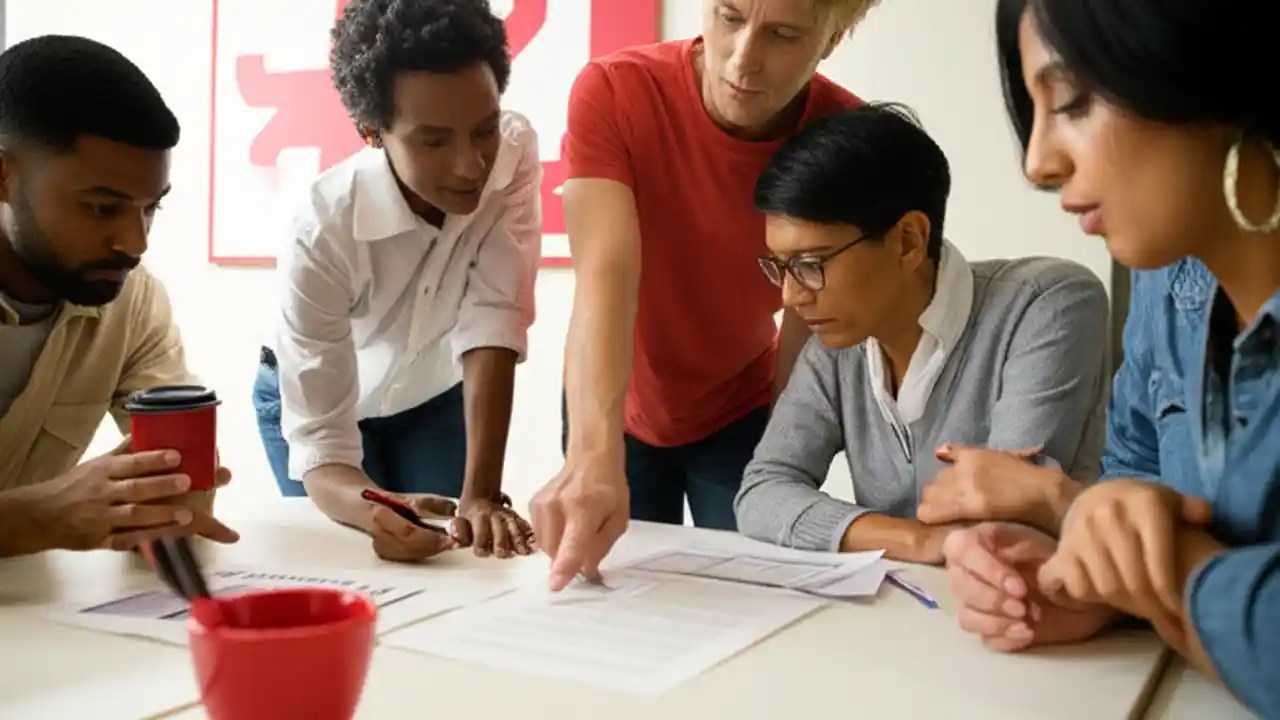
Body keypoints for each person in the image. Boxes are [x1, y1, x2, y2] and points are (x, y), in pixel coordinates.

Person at [943, 2, 1280, 716]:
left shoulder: (1050, 300)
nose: (1037, 161)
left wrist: (1168, 571)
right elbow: (1133, 478)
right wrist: (1093, 581)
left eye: (1072, 100)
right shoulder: (1164, 282)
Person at [532, 0, 882, 590]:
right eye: (729, 17)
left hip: (741, 409)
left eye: (782, 34)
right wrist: (593, 454)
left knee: (756, 591)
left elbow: (809, 314)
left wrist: (783, 461)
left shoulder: (846, 134)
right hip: (614, 402)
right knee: (610, 594)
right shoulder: (616, 92)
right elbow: (605, 273)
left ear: (833, 37)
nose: (744, 59)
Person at [734, 104, 1109, 563]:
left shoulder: (1045, 303)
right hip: (902, 614)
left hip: (1034, 611)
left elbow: (1009, 520)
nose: (792, 296)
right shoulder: (837, 343)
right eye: (782, 267)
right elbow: (760, 493)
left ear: (909, 240)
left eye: (811, 265)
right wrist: (920, 541)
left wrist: (864, 534)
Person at [255, 0, 541, 563]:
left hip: (429, 393)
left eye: (482, 130)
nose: (470, 166)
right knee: (353, 560)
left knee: (454, 556)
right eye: (433, 141)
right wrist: (368, 509)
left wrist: (481, 494)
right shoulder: (323, 230)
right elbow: (322, 443)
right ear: (372, 133)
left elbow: (495, 311)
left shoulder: (512, 155)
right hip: (316, 399)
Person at [0, 35, 238, 556]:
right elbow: (48, 518)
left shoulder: (131, 303)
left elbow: (179, 489)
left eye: (151, 208)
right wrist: (37, 517)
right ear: (4, 176)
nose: (136, 243)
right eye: (102, 209)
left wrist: (159, 506)